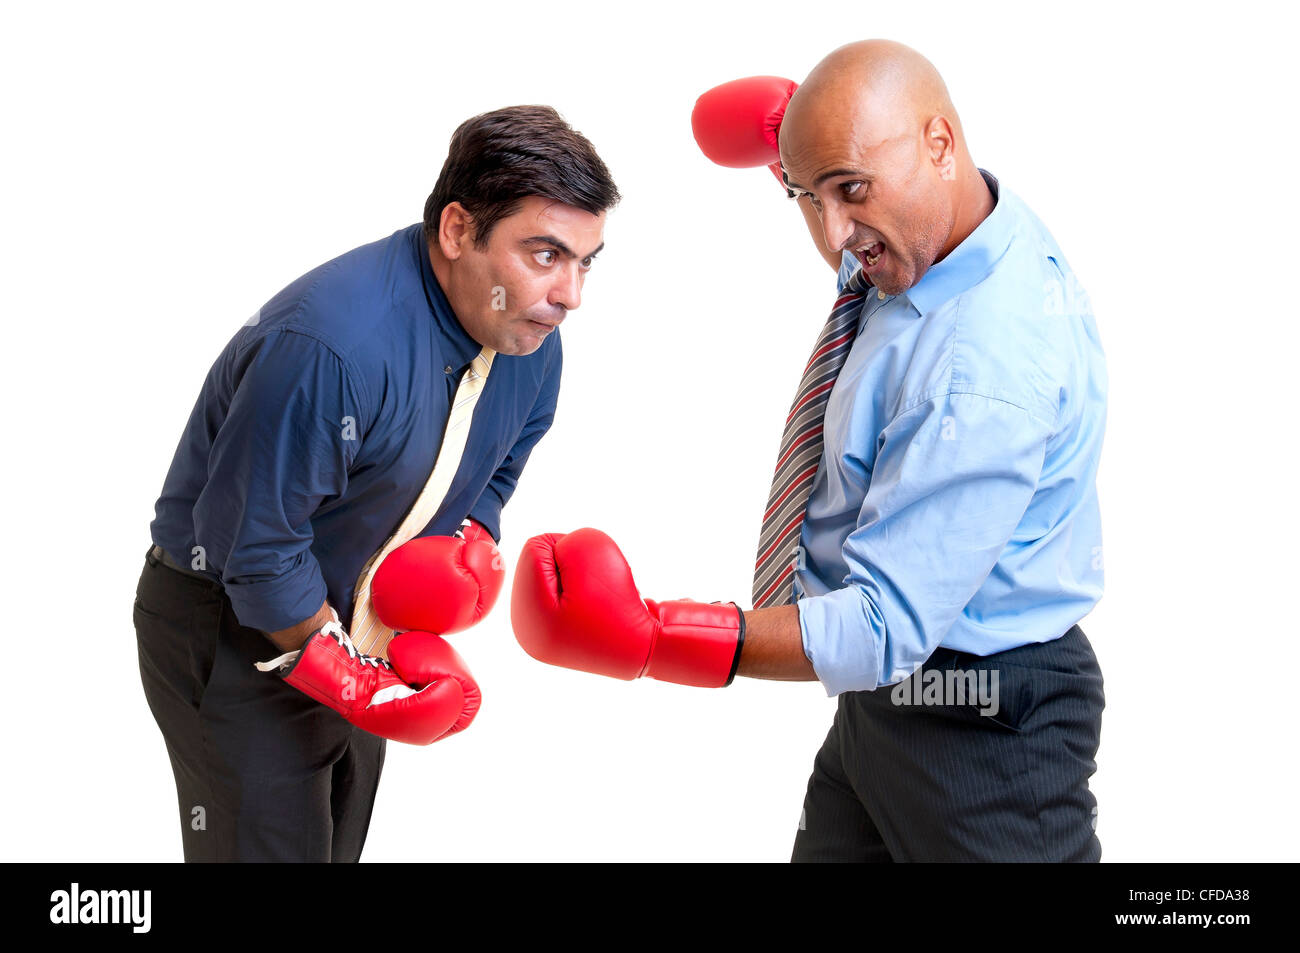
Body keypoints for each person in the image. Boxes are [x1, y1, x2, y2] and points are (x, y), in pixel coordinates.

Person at [510, 40, 1107, 862]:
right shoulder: (947, 234)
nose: (833, 233)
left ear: (940, 142)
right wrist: (808, 155)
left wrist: (655, 637)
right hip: (887, 699)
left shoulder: (982, 373)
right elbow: (855, 247)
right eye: (811, 195)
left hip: (984, 721)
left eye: (849, 190)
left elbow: (877, 625)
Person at [134, 104, 619, 862]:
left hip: (359, 625)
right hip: (232, 621)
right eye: (546, 253)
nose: (571, 294)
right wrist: (357, 685)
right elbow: (256, 552)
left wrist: (467, 550)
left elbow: (501, 463)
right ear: (459, 229)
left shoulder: (531, 347)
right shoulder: (332, 348)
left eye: (586, 261)